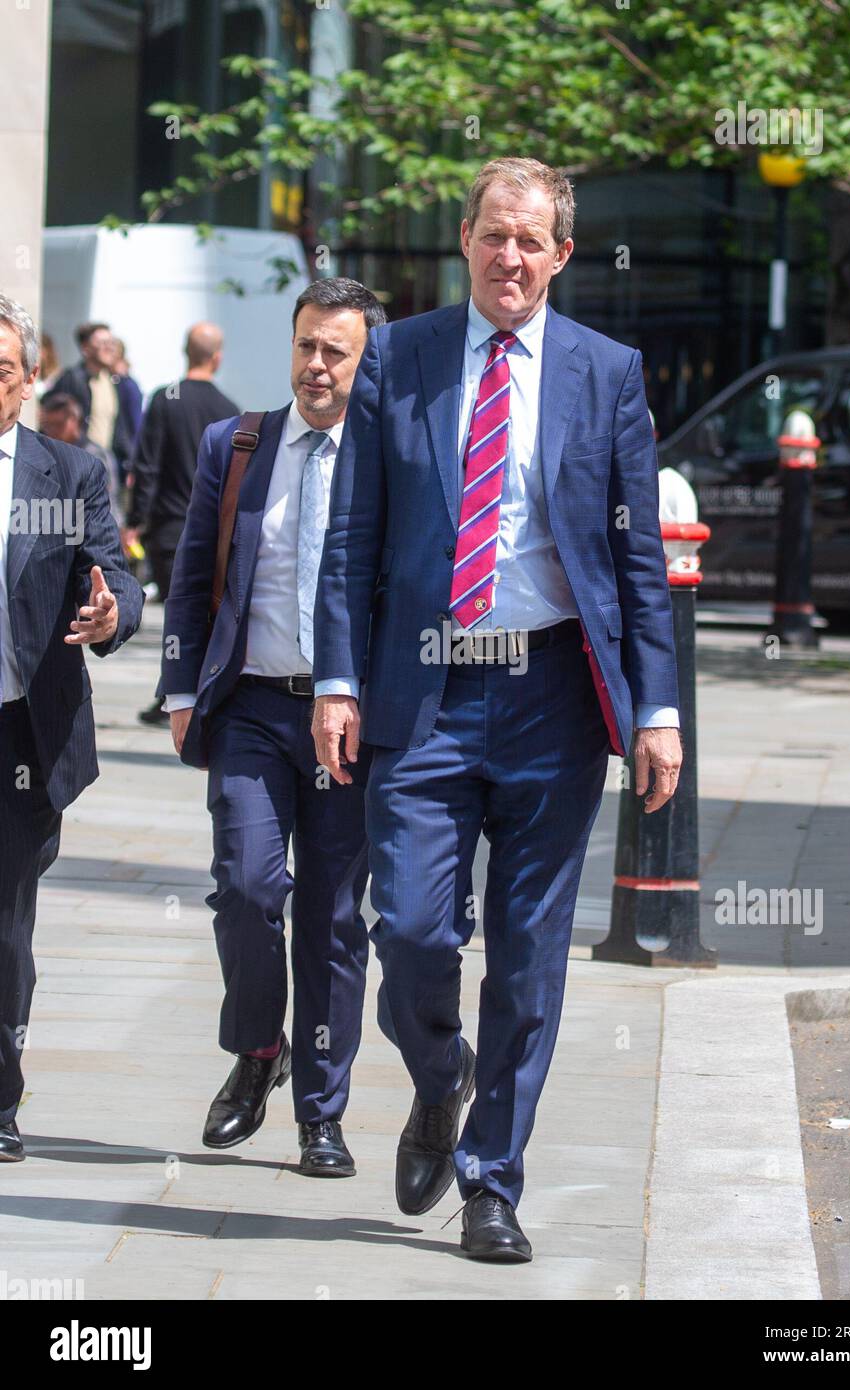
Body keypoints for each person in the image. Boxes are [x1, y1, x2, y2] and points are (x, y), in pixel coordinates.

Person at [312, 158, 682, 1262]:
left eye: (532, 241)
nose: (510, 258)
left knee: (527, 954)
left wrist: (656, 705)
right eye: (493, 236)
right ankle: (438, 1080)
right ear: (463, 239)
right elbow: (351, 541)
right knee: (413, 929)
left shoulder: (607, 373)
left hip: (552, 698)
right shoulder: (403, 360)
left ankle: (493, 1178)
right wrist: (336, 680)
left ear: (562, 254)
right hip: (419, 695)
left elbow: (637, 559)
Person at [160, 278, 386, 1177]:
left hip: (351, 723)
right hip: (251, 704)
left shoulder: (387, 456)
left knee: (333, 915)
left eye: (336, 351)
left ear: (365, 363)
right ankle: (259, 1051)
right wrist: (180, 688)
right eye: (305, 346)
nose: (317, 366)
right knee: (249, 888)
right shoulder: (239, 444)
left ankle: (321, 1112)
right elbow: (189, 574)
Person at [0, 295, 143, 1162]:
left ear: (25, 380)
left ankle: (0, 1095)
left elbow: (113, 575)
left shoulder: (68, 470)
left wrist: (109, 615)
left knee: (5, 923)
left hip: (21, 733)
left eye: (2, 370)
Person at [127, 323, 239, 725]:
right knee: (204, 610)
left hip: (169, 524)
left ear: (184, 351)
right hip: (214, 530)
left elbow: (147, 464)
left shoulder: (164, 399)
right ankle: (189, 691)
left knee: (179, 612)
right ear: (217, 357)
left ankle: (172, 692)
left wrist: (135, 520)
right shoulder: (229, 408)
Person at [49, 322, 142, 475]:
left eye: (112, 342)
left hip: (106, 466)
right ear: (85, 349)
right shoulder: (72, 379)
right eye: (103, 343)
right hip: (76, 465)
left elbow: (120, 429)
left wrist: (129, 461)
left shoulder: (114, 382)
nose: (110, 348)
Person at [38, 392, 122, 524]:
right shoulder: (46, 453)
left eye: (58, 425)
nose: (51, 431)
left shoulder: (93, 455)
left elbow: (105, 503)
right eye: (47, 426)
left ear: (74, 420)